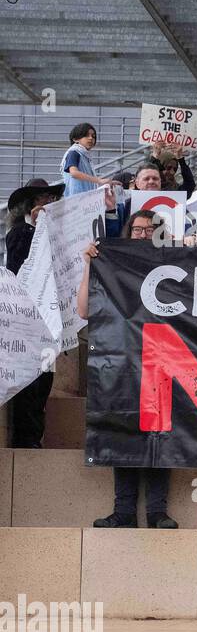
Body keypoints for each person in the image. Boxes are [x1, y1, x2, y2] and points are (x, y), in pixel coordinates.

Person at [77, 212, 178, 528]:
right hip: (121, 363)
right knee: (121, 431)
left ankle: (157, 512)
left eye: (152, 230)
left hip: (163, 362)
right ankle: (123, 512)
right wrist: (89, 265)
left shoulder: (176, 266)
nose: (145, 234)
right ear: (127, 232)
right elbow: (83, 310)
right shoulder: (109, 262)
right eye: (139, 229)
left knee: (161, 435)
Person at [5, 178, 65, 448]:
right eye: (43, 200)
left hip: (47, 314)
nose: (49, 205)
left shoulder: (54, 236)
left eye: (52, 200)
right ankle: (26, 436)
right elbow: (19, 264)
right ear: (32, 206)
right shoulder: (19, 233)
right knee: (30, 379)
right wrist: (38, 226)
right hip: (25, 316)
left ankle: (35, 433)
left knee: (45, 376)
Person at [61, 123, 110, 195]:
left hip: (84, 199)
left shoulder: (85, 156)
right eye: (86, 135)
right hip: (76, 200)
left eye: (93, 136)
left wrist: (107, 183)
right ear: (75, 139)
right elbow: (74, 173)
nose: (91, 138)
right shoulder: (74, 153)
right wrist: (99, 180)